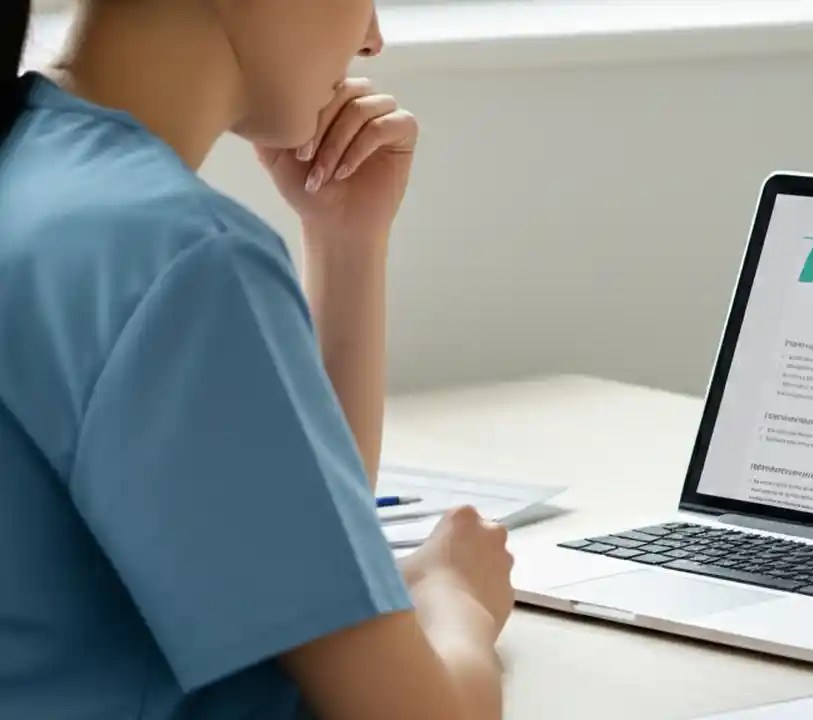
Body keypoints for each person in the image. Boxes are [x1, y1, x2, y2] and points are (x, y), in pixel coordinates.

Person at [0, 1, 514, 718]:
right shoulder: (180, 256)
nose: (372, 38)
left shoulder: (35, 172)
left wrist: (344, 243)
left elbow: (301, 543)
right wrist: (454, 599)